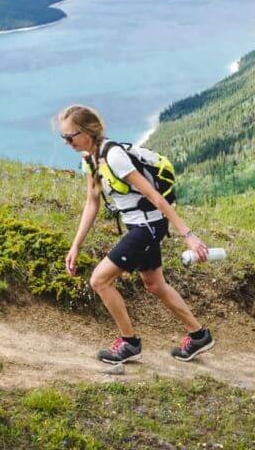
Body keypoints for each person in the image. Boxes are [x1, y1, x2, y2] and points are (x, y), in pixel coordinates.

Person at [57, 104, 215, 364]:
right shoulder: (89, 160)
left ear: (87, 131)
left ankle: (129, 343)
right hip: (139, 226)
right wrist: (75, 246)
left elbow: (154, 196)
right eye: (63, 137)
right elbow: (92, 203)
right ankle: (199, 336)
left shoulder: (114, 156)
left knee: (99, 280)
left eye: (70, 136)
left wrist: (188, 234)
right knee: (155, 285)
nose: (67, 142)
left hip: (148, 227)